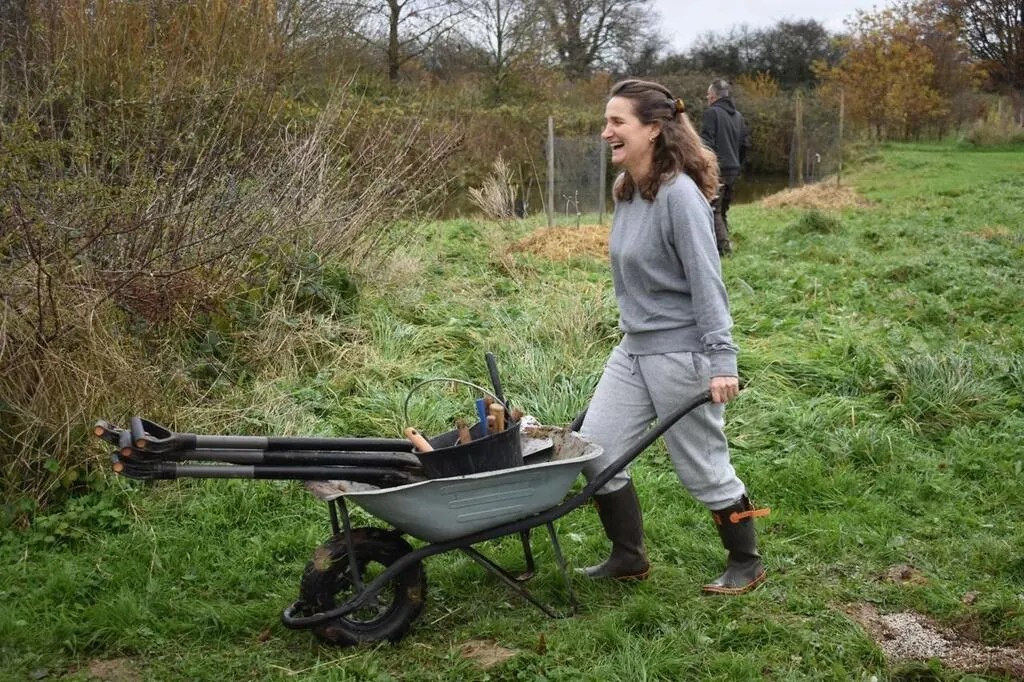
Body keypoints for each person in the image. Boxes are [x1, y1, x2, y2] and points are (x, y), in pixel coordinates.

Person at [578, 78, 768, 595]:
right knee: (595, 450)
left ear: (654, 130)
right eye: (606, 121)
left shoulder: (680, 196)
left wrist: (722, 360)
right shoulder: (627, 190)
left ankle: (746, 561)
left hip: (682, 354)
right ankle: (628, 556)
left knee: (703, 467)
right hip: (634, 349)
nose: (606, 132)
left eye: (617, 122)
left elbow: (708, 283)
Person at [700, 79, 751, 256]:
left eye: (708, 95)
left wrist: (705, 167)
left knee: (713, 209)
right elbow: (745, 144)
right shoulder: (738, 117)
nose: (707, 98)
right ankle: (724, 242)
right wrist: (737, 163)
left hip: (717, 169)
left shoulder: (711, 114)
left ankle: (724, 250)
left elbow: (707, 144)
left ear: (713, 96)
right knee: (723, 211)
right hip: (734, 169)